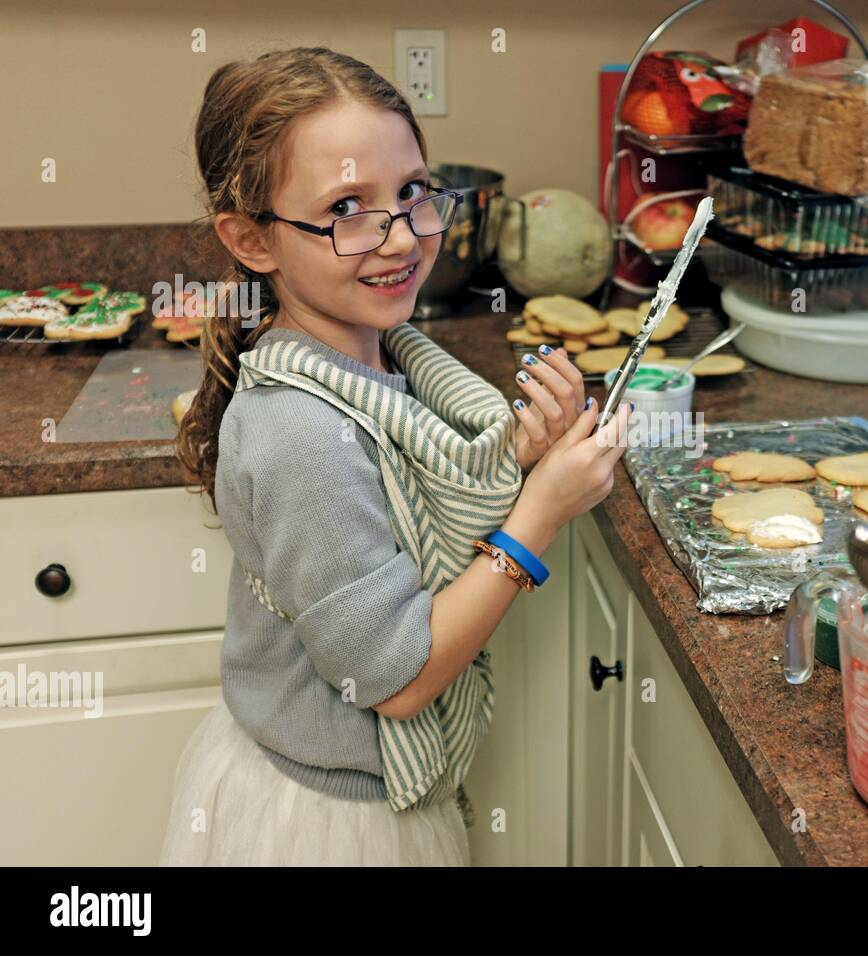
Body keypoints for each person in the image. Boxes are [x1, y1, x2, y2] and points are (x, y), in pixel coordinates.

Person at [159, 47, 629, 865]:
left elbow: (408, 508)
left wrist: (514, 452)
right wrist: (540, 512)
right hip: (324, 823)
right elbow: (400, 678)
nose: (402, 235)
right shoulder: (298, 434)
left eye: (413, 191)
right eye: (347, 206)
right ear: (252, 240)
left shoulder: (378, 354)